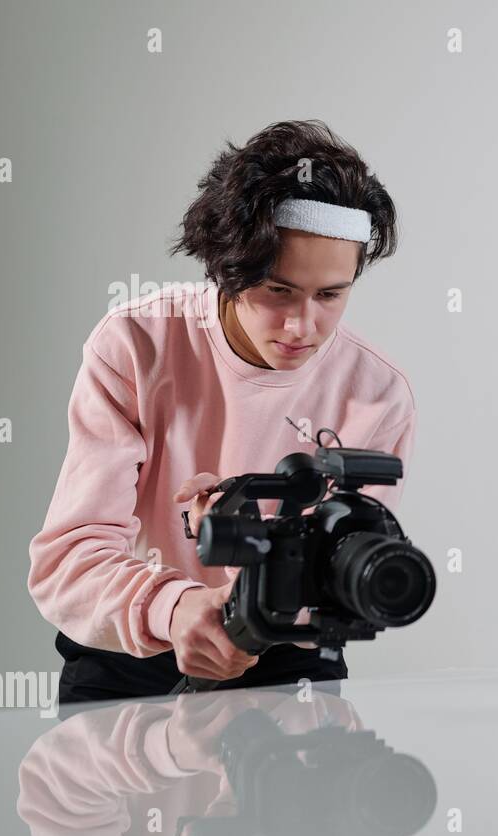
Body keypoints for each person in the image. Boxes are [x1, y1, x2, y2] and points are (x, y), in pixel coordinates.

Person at [28, 120, 417, 703]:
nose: (302, 327)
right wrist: (178, 606)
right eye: (278, 290)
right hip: (130, 654)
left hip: (287, 666)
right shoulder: (137, 344)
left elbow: (347, 579)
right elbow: (68, 561)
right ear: (226, 267)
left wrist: (249, 555)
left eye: (330, 295)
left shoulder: (377, 392)